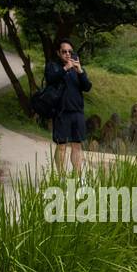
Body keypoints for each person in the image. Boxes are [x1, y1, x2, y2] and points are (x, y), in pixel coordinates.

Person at [44, 40, 92, 175]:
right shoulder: (53, 66)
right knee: (61, 146)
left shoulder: (77, 68)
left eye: (70, 51)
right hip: (61, 112)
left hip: (77, 112)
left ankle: (78, 177)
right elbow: (50, 79)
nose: (67, 54)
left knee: (77, 146)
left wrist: (80, 71)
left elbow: (87, 87)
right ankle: (61, 177)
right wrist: (65, 68)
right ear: (58, 53)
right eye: (64, 51)